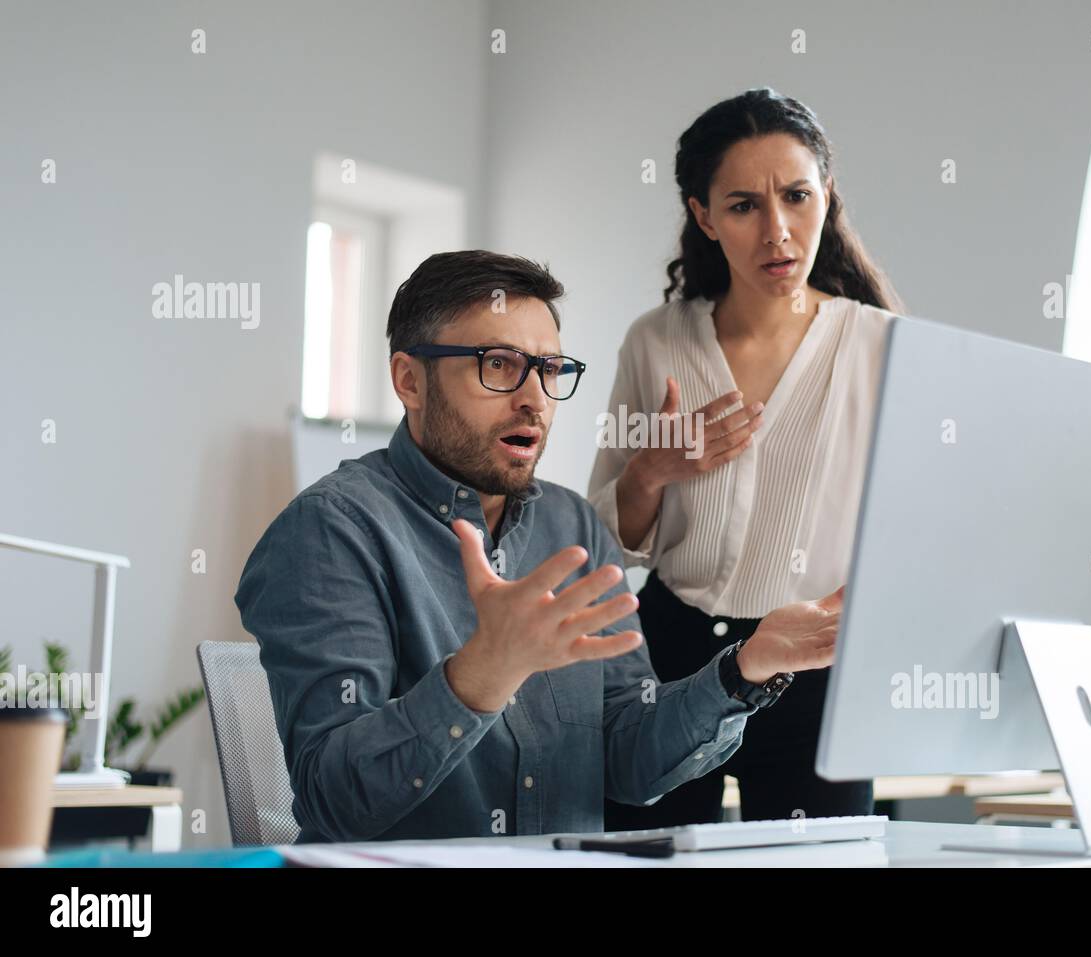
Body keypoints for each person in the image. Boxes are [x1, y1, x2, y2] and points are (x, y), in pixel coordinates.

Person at [235, 249, 844, 842]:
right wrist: (480, 675)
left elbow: (628, 761)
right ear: (409, 380)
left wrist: (745, 669)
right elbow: (333, 799)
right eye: (498, 365)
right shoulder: (329, 532)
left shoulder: (572, 526)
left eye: (550, 370)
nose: (533, 399)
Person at [589, 89, 903, 829]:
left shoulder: (882, 349)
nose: (778, 232)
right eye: (742, 206)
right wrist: (654, 470)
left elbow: (917, 529)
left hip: (815, 668)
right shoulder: (655, 342)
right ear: (702, 215)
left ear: (826, 195)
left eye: (797, 196)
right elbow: (601, 541)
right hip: (666, 658)